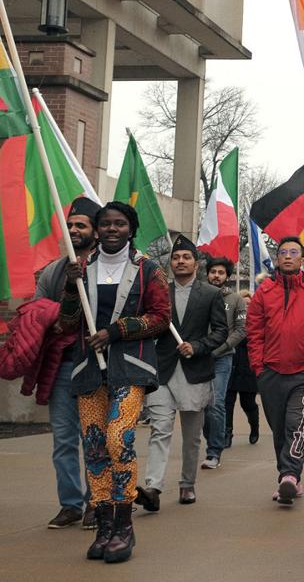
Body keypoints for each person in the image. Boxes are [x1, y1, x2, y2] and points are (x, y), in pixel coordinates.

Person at [57, 201, 171, 562]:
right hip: (89, 370)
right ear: (97, 229)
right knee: (94, 446)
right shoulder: (81, 268)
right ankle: (104, 525)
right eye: (105, 223)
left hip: (131, 367)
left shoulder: (147, 269)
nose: (111, 229)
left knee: (118, 438)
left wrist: (116, 331)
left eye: (119, 223)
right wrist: (71, 287)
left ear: (130, 229)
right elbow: (66, 322)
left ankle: (124, 525)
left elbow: (161, 317)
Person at [137, 235, 228, 510]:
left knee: (191, 436)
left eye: (186, 257)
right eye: (175, 258)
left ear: (196, 264)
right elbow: (148, 324)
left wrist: (197, 346)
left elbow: (221, 332)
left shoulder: (211, 294)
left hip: (195, 371)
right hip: (162, 370)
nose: (180, 261)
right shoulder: (159, 293)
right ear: (170, 263)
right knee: (160, 428)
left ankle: (187, 483)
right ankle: (153, 487)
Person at [34, 197, 100, 530]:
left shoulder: (107, 267)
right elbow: (36, 312)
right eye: (70, 225)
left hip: (96, 365)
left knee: (94, 438)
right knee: (63, 439)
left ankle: (96, 502)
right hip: (62, 366)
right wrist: (53, 320)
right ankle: (70, 505)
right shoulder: (53, 271)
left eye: (80, 225)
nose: (73, 230)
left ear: (95, 232)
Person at [245, 236, 304, 506]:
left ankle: (289, 475)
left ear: (303, 260)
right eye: (283, 252)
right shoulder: (264, 292)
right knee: (279, 429)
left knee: (296, 426)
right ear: (277, 259)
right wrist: (259, 367)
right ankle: (289, 478)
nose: (288, 256)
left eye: (294, 252)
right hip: (271, 373)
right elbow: (254, 332)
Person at [201, 257, 246, 469]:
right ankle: (211, 437)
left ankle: (214, 451)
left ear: (227, 276)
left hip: (223, 358)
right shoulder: (198, 295)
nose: (216, 275)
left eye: (221, 272)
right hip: (198, 357)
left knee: (216, 403)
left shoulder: (236, 300)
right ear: (207, 273)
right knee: (202, 406)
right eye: (213, 272)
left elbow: (241, 330)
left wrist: (220, 349)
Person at [225, 288, 260, 447]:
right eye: (243, 304)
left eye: (248, 304)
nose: (246, 307)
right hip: (230, 367)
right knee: (227, 403)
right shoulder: (230, 321)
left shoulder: (256, 322)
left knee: (248, 403)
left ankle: (254, 427)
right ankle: (227, 433)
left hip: (248, 369)